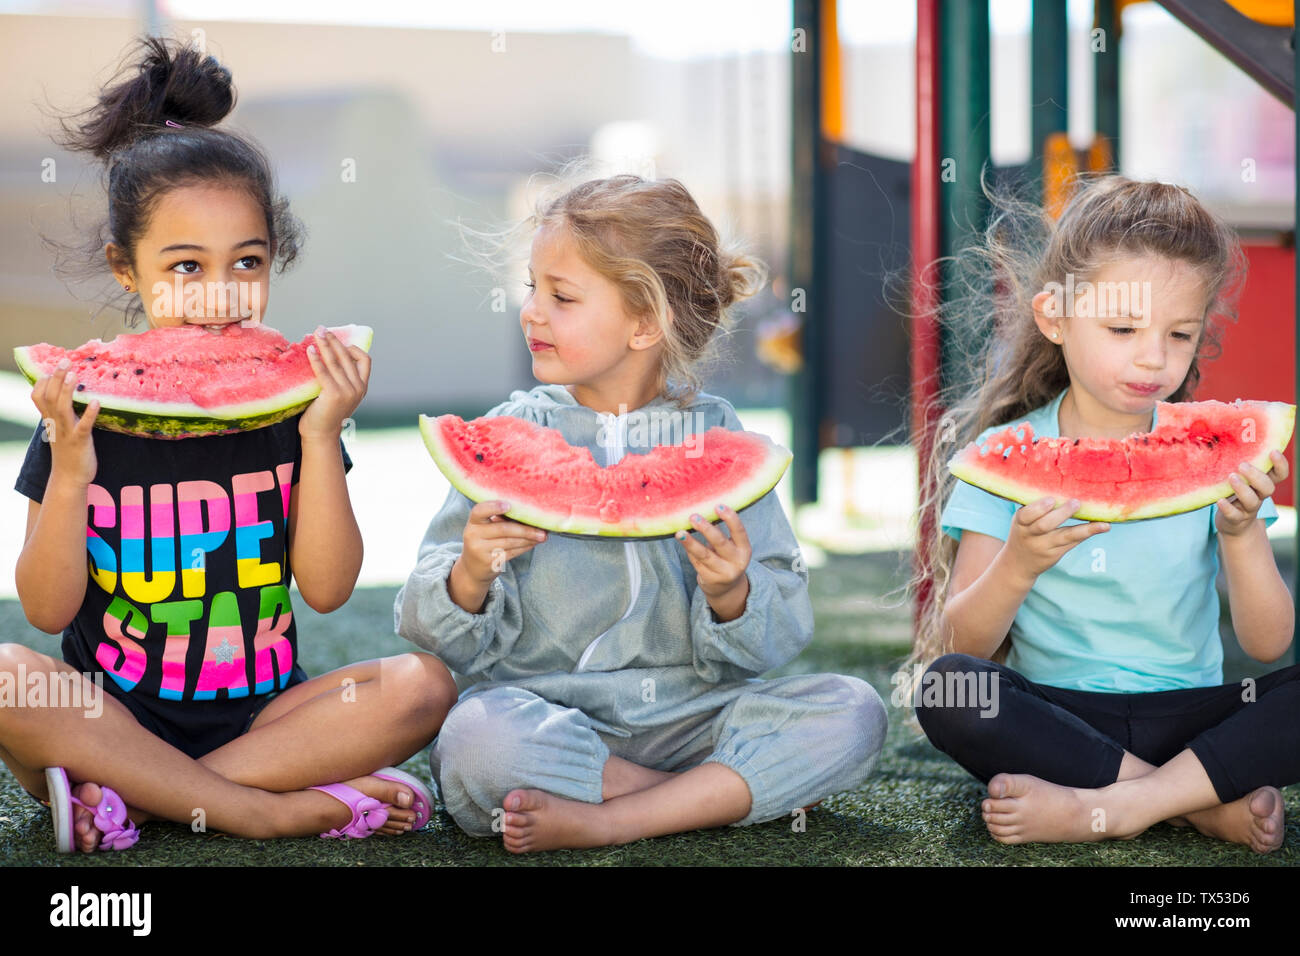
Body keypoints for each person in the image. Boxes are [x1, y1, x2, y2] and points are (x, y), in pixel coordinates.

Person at [2, 35, 457, 853]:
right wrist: (71, 472)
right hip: (110, 715)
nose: (219, 294)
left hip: (268, 717)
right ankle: (267, 807)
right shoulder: (79, 411)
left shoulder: (293, 410)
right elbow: (45, 609)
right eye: (184, 266)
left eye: (246, 261)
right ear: (124, 268)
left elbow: (325, 589)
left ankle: (143, 801)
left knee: (424, 685)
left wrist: (320, 435)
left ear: (274, 259)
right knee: (6, 675)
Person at [395, 173, 886, 853]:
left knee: (854, 712)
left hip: (694, 719)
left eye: (561, 296)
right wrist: (471, 576)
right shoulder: (509, 435)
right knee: (477, 741)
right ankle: (694, 798)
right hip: (550, 718)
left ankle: (619, 813)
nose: (531, 312)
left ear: (647, 323)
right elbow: (430, 627)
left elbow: (781, 633)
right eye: (532, 287)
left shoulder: (720, 439)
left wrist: (732, 594)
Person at [907, 173, 1298, 853]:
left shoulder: (1214, 461)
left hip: (1192, 717)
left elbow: (1269, 645)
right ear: (1055, 317)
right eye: (1123, 327)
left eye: (1180, 334)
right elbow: (963, 644)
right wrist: (1018, 565)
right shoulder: (1002, 455)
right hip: (1060, 717)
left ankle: (1118, 805)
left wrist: (1239, 535)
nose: (1154, 357)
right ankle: (1195, 806)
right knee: (949, 690)